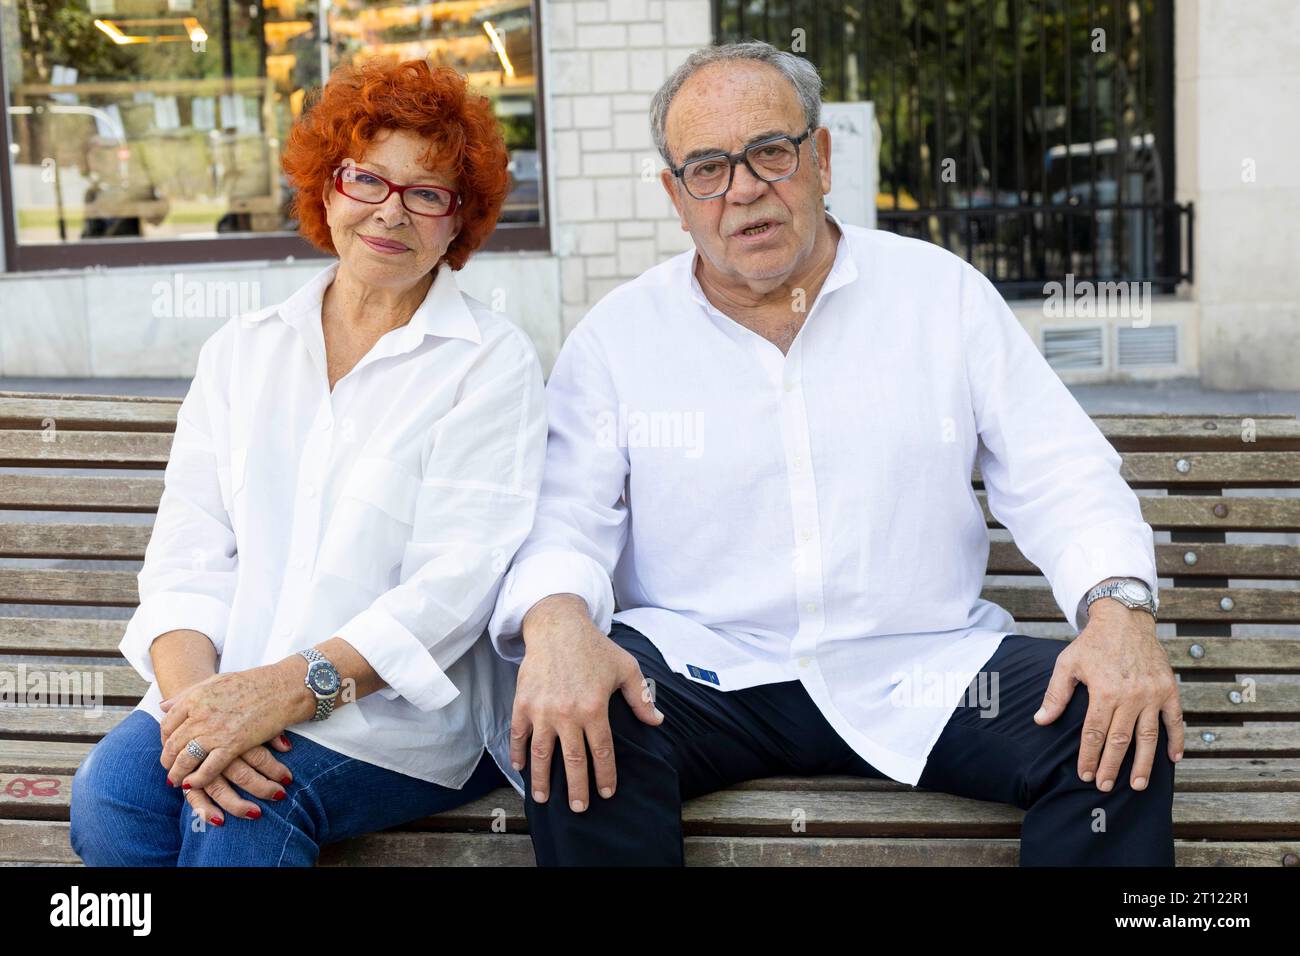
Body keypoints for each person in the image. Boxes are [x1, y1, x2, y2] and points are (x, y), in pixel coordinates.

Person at [488, 41, 1183, 867]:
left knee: (1112, 728)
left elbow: (1062, 474)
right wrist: (560, 624)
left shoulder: (941, 295)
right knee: (578, 727)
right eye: (707, 168)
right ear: (677, 198)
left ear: (819, 158)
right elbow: (566, 515)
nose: (744, 188)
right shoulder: (617, 338)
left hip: (924, 671)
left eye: (769, 153)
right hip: (706, 675)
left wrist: (1118, 614)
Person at [69, 57, 547, 866]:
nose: (390, 214)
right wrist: (198, 716)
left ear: (457, 221)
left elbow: (451, 593)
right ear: (327, 188)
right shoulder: (242, 352)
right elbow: (188, 557)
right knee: (112, 803)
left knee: (235, 823)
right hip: (224, 688)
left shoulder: (489, 363)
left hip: (393, 719)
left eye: (426, 193)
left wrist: (279, 696)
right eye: (368, 180)